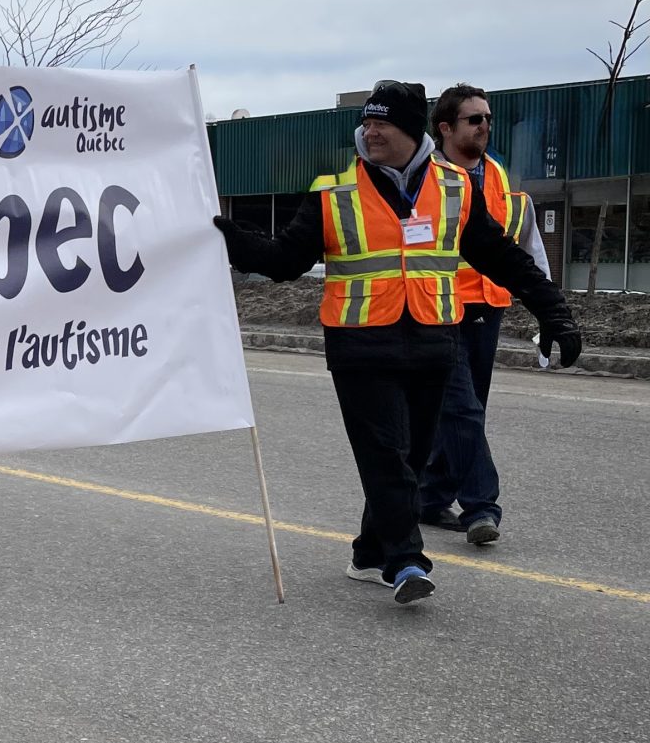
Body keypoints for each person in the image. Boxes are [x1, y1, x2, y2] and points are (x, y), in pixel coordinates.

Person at [213, 81, 580, 604]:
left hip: (433, 343)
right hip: (360, 346)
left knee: (410, 457)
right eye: (366, 122)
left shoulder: (455, 188)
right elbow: (283, 261)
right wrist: (233, 240)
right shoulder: (335, 191)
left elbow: (504, 258)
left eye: (381, 122)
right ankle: (405, 561)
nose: (370, 130)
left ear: (410, 130)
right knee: (385, 454)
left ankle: (368, 551)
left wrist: (555, 315)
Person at [415, 85, 536, 547]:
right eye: (473, 119)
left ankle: (429, 496)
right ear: (445, 128)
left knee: (466, 413)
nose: (485, 125)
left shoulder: (498, 174)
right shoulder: (425, 178)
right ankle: (482, 507)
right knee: (462, 409)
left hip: (488, 304)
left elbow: (519, 244)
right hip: (440, 306)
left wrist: (545, 305)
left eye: (487, 117)